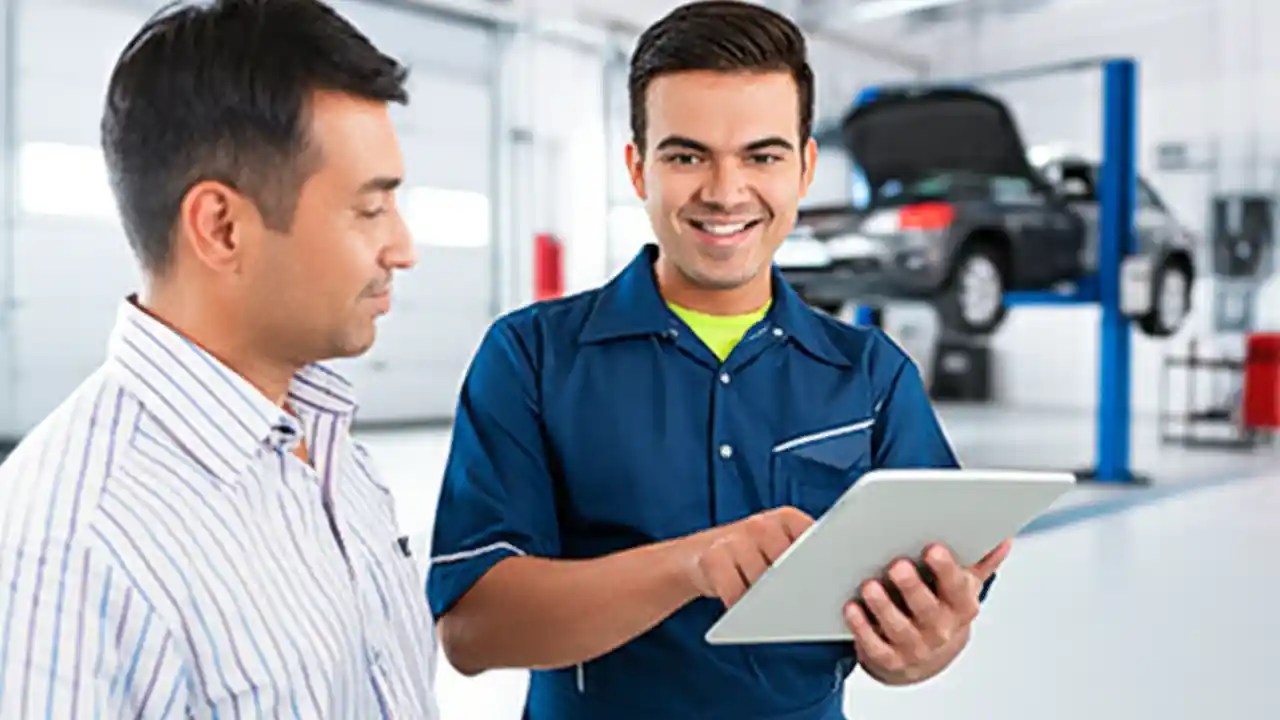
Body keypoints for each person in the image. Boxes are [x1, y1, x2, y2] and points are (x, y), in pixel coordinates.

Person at [427, 2, 1011, 718]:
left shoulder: (872, 376)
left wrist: (924, 648)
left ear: (804, 169)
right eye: (686, 155)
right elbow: (473, 630)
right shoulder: (530, 358)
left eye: (761, 156)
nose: (725, 192)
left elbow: (918, 640)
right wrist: (689, 564)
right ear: (639, 168)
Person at [0, 1, 438, 717]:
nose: (404, 247)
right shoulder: (69, 549)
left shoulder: (330, 453)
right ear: (222, 227)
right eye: (370, 210)